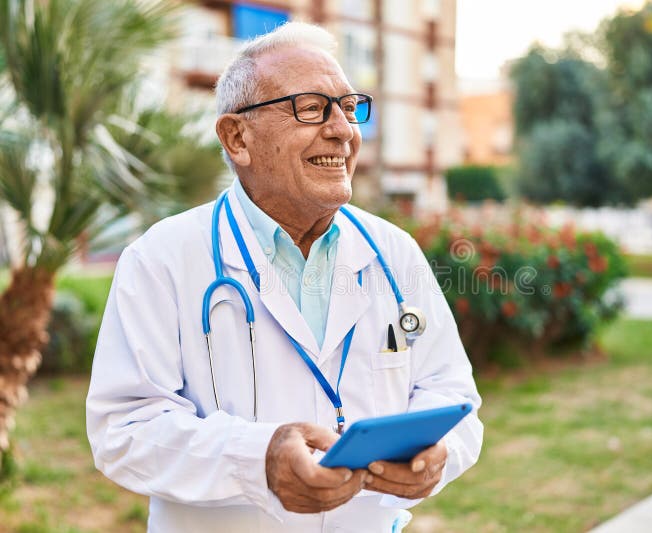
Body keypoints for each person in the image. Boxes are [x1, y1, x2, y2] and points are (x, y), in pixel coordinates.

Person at [86, 21, 482, 533]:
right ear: (237, 137)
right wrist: (257, 461)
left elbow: (454, 396)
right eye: (312, 108)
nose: (343, 130)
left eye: (348, 106)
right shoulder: (162, 258)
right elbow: (123, 430)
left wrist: (439, 453)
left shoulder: (393, 252)